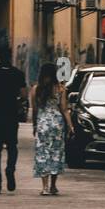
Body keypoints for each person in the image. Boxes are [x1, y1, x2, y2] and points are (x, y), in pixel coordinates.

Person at [0, 48, 27, 195]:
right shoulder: (18, 73)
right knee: (12, 146)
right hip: (11, 113)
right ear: (11, 57)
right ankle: (10, 170)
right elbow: (24, 95)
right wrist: (19, 104)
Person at [31, 62, 71, 196]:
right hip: (57, 124)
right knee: (56, 154)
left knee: (43, 153)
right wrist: (71, 125)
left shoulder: (36, 89)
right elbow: (64, 109)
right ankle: (53, 186)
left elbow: (35, 109)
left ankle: (45, 187)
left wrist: (34, 126)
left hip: (43, 124)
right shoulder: (60, 88)